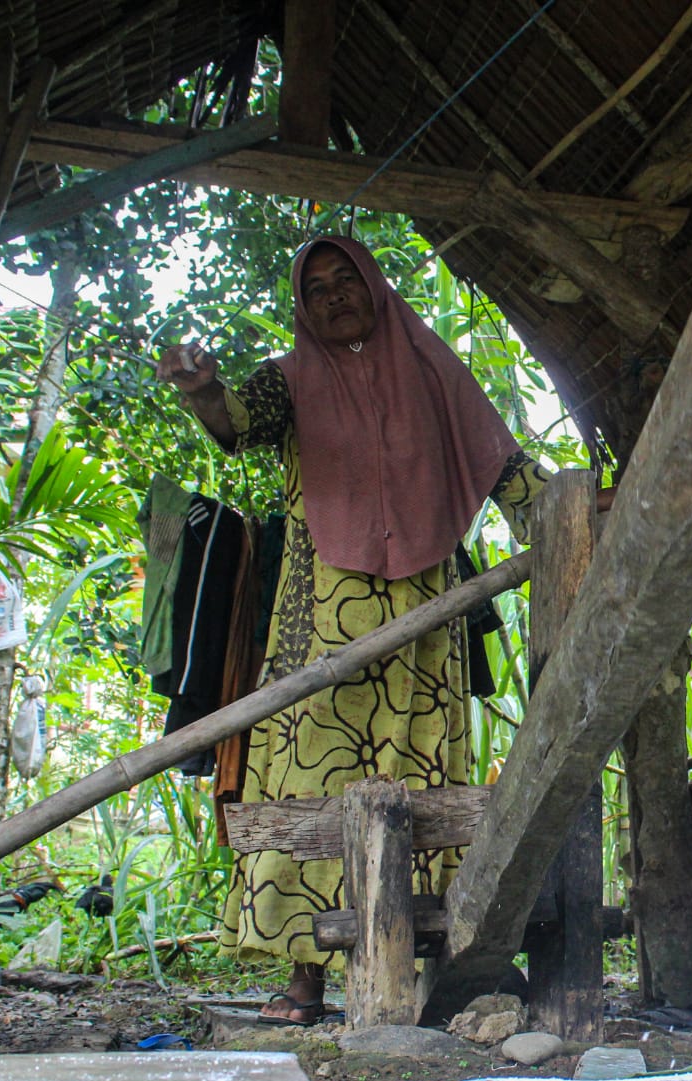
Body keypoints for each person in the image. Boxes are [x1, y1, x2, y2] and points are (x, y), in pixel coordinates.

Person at [158, 235, 551, 1025]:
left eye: (347, 280)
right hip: (319, 625)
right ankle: (304, 978)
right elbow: (240, 422)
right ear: (303, 308)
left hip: (424, 624)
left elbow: (505, 467)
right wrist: (204, 392)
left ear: (375, 286)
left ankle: (428, 966)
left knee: (417, 777)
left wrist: (572, 508)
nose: (336, 295)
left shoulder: (437, 372)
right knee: (310, 773)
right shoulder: (289, 380)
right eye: (317, 288)